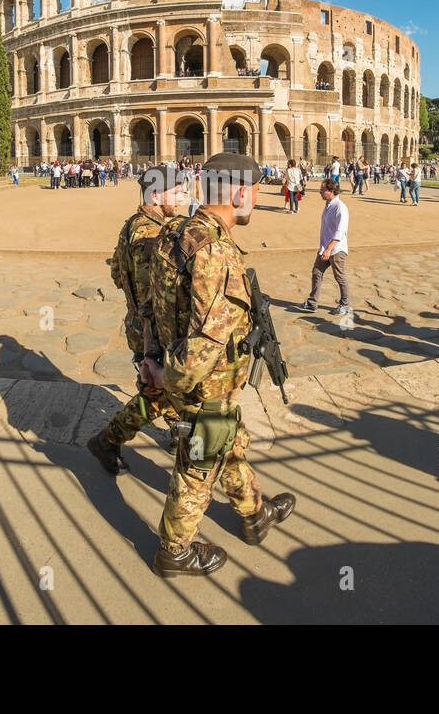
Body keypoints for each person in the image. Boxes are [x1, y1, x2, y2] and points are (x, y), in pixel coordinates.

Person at [137, 153, 295, 577]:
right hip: (203, 385)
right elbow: (208, 342)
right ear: (242, 192)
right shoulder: (218, 253)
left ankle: (254, 512)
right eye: (257, 192)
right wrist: (170, 379)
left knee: (231, 443)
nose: (256, 200)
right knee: (199, 462)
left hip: (176, 370)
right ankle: (175, 550)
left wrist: (153, 360)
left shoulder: (174, 232)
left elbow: (150, 307)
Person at [87, 167, 189, 474]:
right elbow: (153, 298)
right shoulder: (151, 235)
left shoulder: (131, 225)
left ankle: (174, 433)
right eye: (176, 192)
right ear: (156, 196)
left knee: (162, 393)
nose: (183, 197)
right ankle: (108, 440)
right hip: (156, 331)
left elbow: (117, 274)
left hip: (141, 326)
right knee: (161, 391)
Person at [299, 178, 351, 316]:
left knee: (340, 277)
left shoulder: (340, 207)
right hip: (325, 248)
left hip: (336, 249)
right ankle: (312, 303)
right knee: (317, 272)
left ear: (331, 191)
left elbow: (340, 232)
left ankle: (345, 304)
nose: (320, 192)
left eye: (323, 190)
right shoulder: (328, 204)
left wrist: (329, 249)